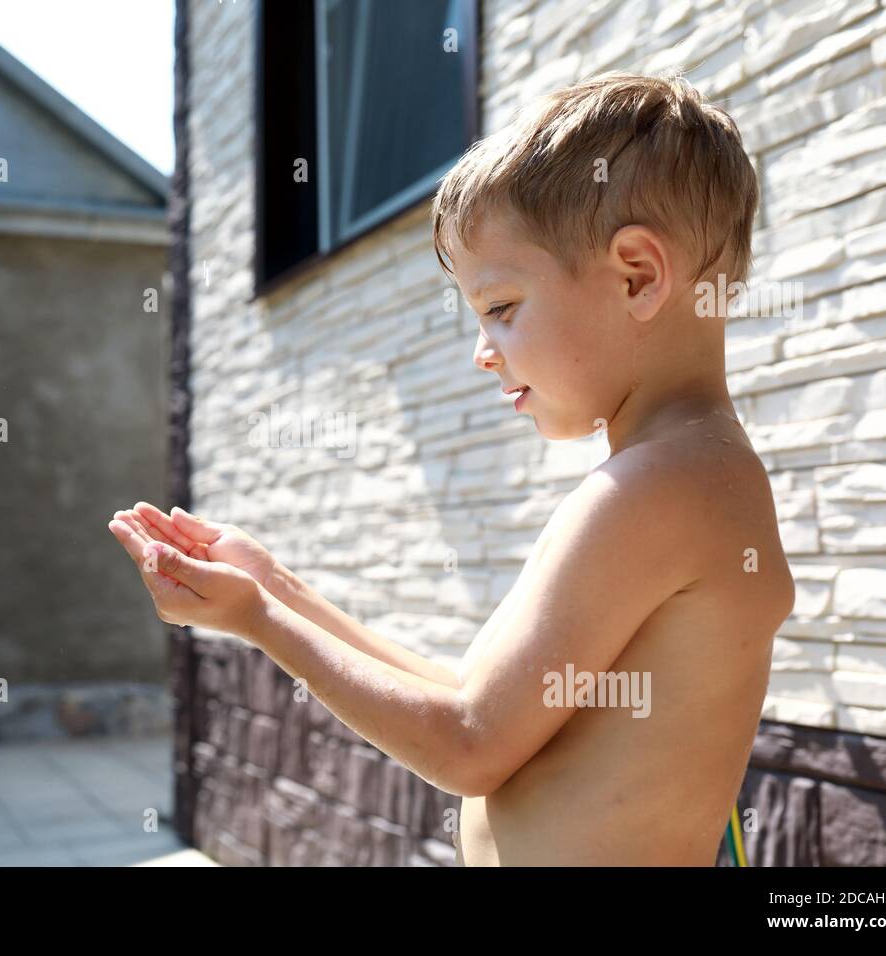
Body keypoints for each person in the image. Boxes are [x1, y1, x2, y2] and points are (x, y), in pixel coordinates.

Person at [107, 70, 795, 866]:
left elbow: (468, 745)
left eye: (501, 309)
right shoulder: (692, 474)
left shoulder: (652, 490)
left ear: (638, 276)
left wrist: (257, 621)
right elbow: (471, 697)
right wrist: (273, 586)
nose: (481, 351)